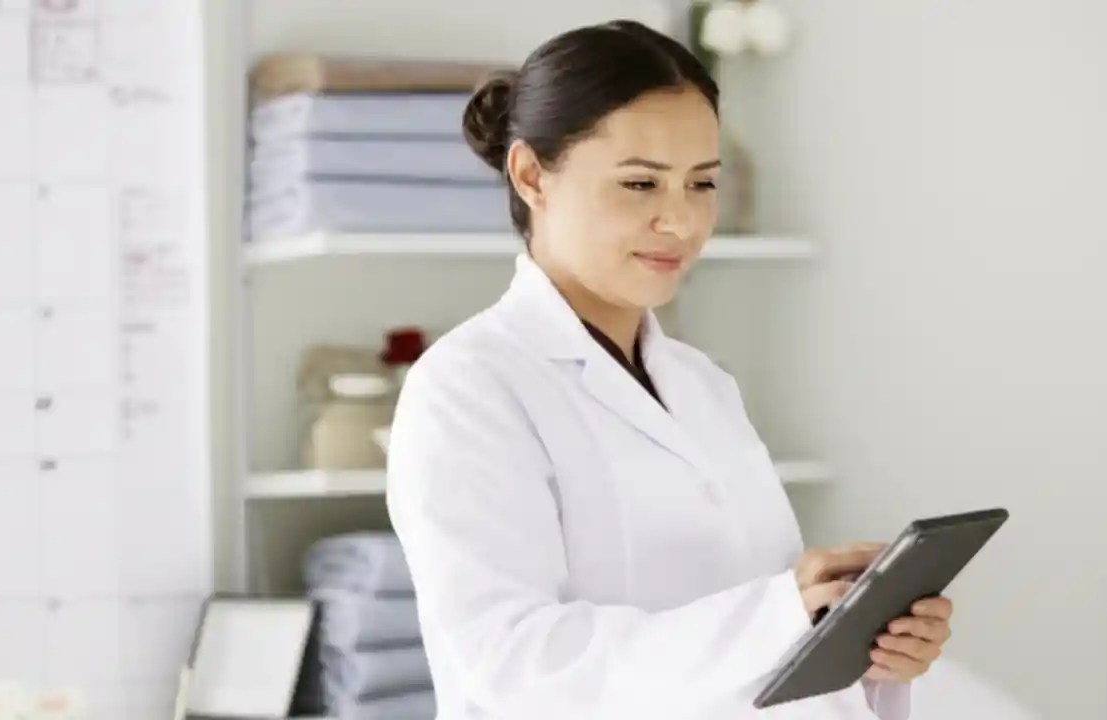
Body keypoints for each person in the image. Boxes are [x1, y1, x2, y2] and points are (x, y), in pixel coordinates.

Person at [385, 20, 952, 719]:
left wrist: (860, 647)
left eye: (701, 183)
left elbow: (765, 651)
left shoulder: (703, 384)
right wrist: (780, 615)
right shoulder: (468, 386)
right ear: (531, 175)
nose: (681, 222)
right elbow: (514, 665)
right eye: (640, 183)